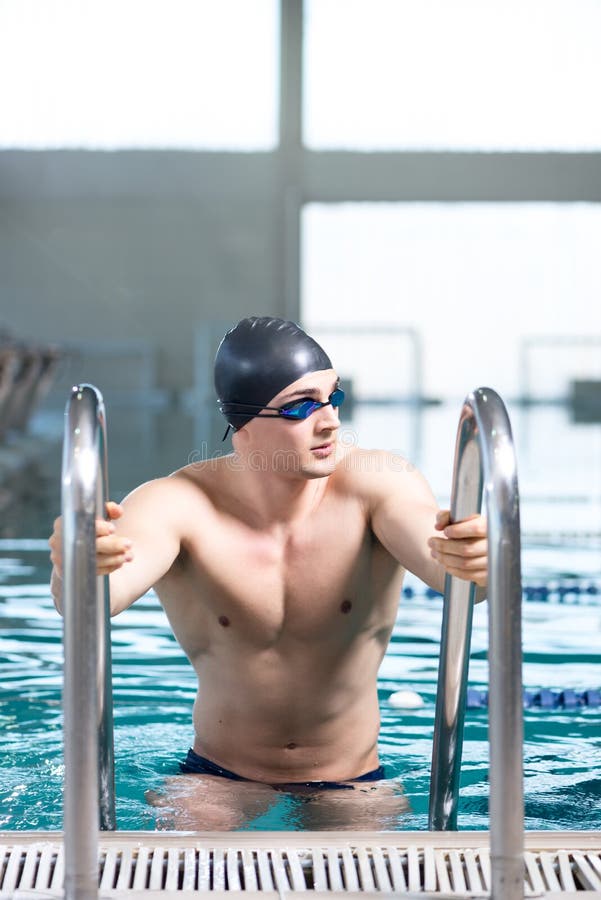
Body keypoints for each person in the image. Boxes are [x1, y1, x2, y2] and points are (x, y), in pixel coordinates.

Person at [49, 316, 487, 830]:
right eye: (301, 407)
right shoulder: (179, 503)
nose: (329, 423)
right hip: (217, 777)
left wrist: (469, 557)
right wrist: (79, 563)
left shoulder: (377, 485)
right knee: (178, 875)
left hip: (353, 780)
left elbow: (451, 571)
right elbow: (90, 599)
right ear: (244, 425)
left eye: (333, 398)